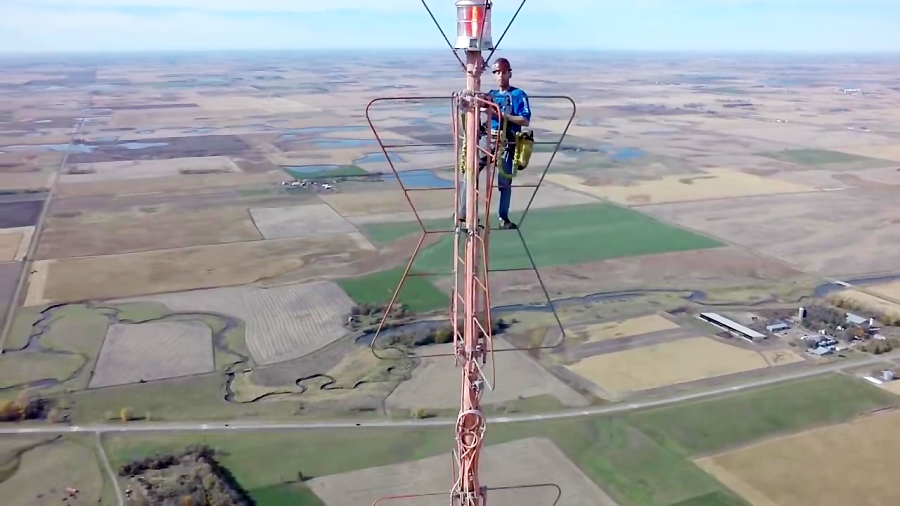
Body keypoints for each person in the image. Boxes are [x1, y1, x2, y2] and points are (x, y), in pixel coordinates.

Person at [457, 57, 531, 230]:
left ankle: (503, 217)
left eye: (504, 72)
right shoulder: (491, 95)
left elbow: (524, 120)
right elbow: (478, 104)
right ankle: (463, 213)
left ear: (509, 73)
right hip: (488, 138)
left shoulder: (518, 95)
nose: (500, 76)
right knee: (471, 170)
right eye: (497, 73)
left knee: (504, 181)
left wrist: (501, 115)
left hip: (507, 141)